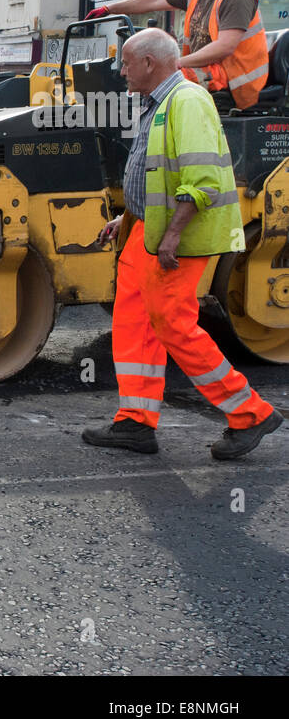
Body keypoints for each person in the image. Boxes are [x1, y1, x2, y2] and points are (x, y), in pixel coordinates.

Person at [82, 28, 282, 460]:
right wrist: (126, 217)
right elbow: (154, 176)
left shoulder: (187, 103)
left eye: (127, 62)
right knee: (134, 320)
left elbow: (201, 182)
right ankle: (135, 422)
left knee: (173, 323)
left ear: (150, 63)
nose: (121, 71)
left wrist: (172, 233)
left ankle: (250, 413)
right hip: (146, 232)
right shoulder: (161, 104)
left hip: (178, 239)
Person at [89, 0, 268, 109]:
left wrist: (177, 62)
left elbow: (224, 47)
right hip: (211, 72)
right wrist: (109, 9)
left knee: (161, 76)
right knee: (142, 74)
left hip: (236, 81)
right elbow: (154, 1)